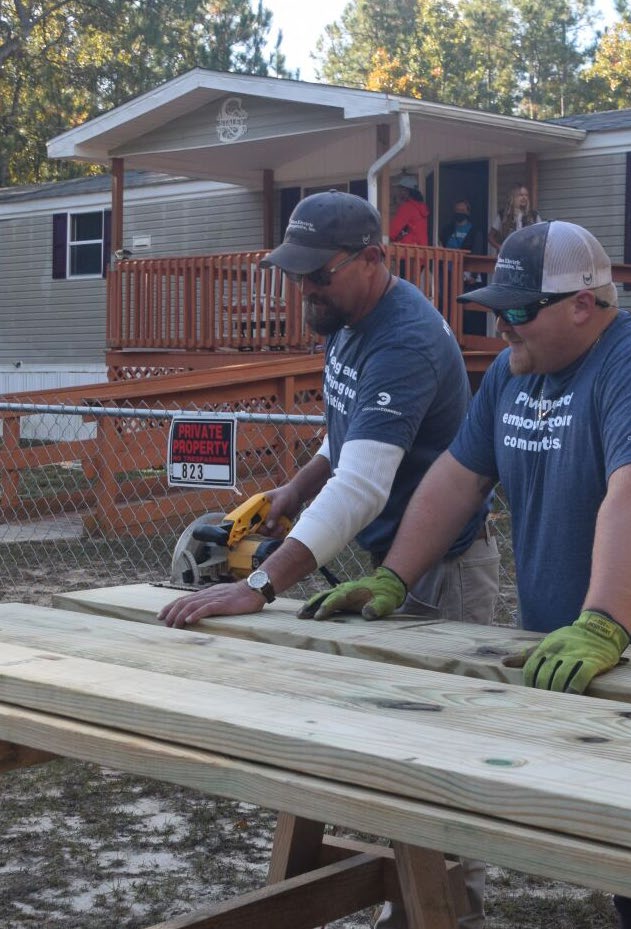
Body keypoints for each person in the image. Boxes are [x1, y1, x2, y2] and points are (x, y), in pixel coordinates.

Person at [305, 220, 631, 929]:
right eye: (495, 309)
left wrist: (602, 622)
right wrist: (394, 576)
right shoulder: (512, 374)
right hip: (598, 664)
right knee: (626, 855)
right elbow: (455, 480)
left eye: (518, 311)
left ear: (583, 304)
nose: (502, 327)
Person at [158, 190, 498, 929]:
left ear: (374, 259)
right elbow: (344, 440)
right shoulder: (347, 319)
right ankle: (407, 890)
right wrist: (293, 487)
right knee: (384, 743)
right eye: (295, 272)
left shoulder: (404, 338)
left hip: (444, 570)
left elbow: (367, 483)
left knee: (439, 759)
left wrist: (261, 582)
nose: (303, 288)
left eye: (319, 273)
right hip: (385, 561)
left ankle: (447, 913)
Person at [439, 198, 485, 334]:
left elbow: (478, 252)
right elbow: (440, 244)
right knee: (447, 305)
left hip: (466, 275)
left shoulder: (475, 230)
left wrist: (474, 274)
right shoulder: (447, 229)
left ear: (468, 212)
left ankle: (465, 335)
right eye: (457, 210)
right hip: (447, 273)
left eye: (462, 210)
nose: (459, 213)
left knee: (465, 308)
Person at [487, 182, 540, 253]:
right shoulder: (503, 215)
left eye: (526, 195)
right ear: (513, 197)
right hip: (509, 256)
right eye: (521, 195)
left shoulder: (534, 215)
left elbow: (541, 235)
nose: (524, 197)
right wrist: (499, 247)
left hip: (528, 255)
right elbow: (490, 237)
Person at [389, 176, 430, 246]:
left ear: (405, 191)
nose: (398, 192)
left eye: (400, 189)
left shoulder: (408, 207)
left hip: (407, 251)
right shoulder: (420, 207)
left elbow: (392, 232)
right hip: (421, 251)